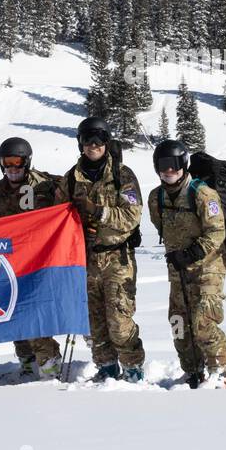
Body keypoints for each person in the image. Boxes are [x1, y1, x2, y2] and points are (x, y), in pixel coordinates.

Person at [58, 116, 146, 382]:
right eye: (87, 140)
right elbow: (58, 218)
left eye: (98, 140)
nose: (93, 146)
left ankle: (132, 369)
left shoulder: (122, 176)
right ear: (80, 144)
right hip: (84, 260)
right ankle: (105, 368)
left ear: (107, 143)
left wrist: (99, 212)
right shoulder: (71, 180)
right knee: (93, 323)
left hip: (117, 258)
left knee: (119, 321)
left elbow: (132, 216)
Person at [147, 139, 226, 388]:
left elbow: (217, 232)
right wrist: (179, 257)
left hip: (208, 267)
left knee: (203, 321)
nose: (169, 171)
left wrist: (193, 252)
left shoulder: (202, 193)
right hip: (178, 270)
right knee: (179, 323)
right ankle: (192, 370)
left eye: (174, 165)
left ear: (183, 164)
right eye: (163, 166)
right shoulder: (157, 197)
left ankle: (219, 371)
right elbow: (160, 225)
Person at [0, 137, 63, 380]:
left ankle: (49, 362)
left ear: (27, 162)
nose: (12, 169)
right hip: (11, 263)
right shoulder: (0, 189)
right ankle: (26, 362)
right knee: (13, 313)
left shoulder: (43, 185)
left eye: (17, 163)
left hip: (39, 263)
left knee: (33, 313)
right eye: (7, 163)